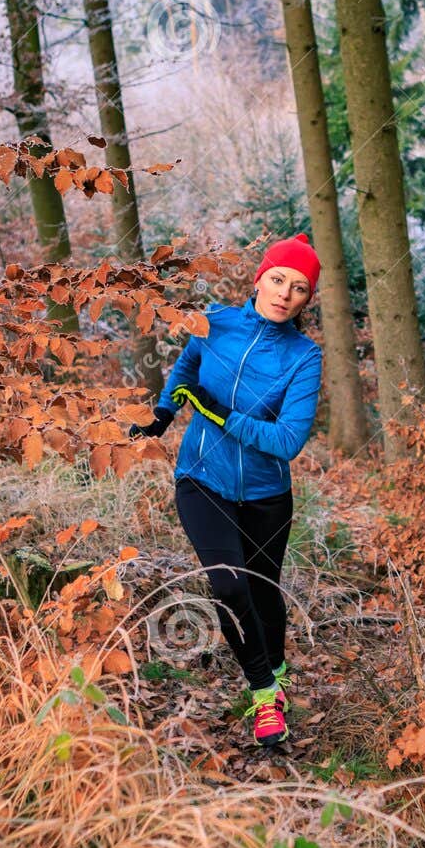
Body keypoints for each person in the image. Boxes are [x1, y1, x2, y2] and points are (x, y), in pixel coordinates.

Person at [129, 233, 325, 747]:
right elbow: (187, 366)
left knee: (263, 592)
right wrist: (165, 412)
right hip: (202, 478)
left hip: (265, 495)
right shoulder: (214, 322)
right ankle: (265, 696)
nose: (285, 293)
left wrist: (218, 414)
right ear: (260, 278)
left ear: (307, 299)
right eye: (279, 279)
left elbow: (287, 440)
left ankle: (276, 671)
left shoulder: (304, 357)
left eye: (300, 288)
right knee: (230, 586)